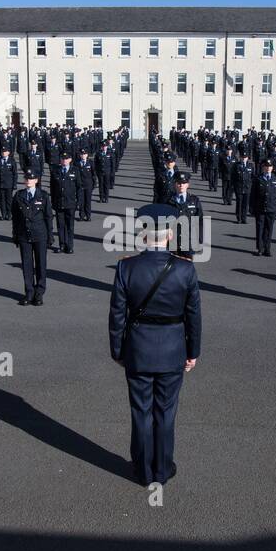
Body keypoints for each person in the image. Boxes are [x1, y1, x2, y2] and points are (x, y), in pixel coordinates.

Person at [108, 203, 202, 486]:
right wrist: (193, 352)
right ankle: (161, 468)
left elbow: (117, 314)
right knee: (165, 411)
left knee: (141, 411)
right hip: (173, 348)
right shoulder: (185, 269)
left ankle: (142, 468)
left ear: (143, 233)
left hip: (138, 348)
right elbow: (193, 316)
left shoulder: (126, 266)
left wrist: (118, 350)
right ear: (171, 233)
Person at [11, 170, 52, 305]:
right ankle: (29, 292)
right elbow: (16, 218)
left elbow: (48, 217)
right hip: (24, 234)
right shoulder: (18, 196)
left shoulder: (43, 196)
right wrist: (15, 234)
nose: (28, 180)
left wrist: (50, 235)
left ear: (36, 180)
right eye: (26, 178)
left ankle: (39, 293)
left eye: (32, 178)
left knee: (41, 265)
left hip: (40, 234)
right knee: (27, 265)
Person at [167, 171, 204, 258]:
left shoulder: (194, 200)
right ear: (175, 184)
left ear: (188, 184)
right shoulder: (168, 201)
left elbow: (200, 221)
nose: (181, 185)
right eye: (179, 183)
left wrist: (199, 240)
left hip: (189, 242)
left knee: (187, 267)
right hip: (173, 242)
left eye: (184, 183)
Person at [250, 159, 276, 256]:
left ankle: (267, 248)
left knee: (269, 229)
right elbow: (253, 195)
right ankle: (260, 248)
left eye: (270, 166)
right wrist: (251, 208)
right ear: (263, 167)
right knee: (260, 229)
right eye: (266, 166)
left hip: (271, 208)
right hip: (260, 208)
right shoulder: (258, 179)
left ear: (272, 168)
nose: (268, 168)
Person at [50, 153, 80, 254]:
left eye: (66, 158)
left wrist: (78, 202)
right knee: (60, 225)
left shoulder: (75, 170)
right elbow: (52, 188)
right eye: (62, 158)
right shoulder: (55, 171)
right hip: (59, 203)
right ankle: (62, 245)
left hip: (70, 203)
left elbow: (79, 188)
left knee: (70, 226)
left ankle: (69, 245)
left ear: (70, 159)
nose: (64, 160)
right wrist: (53, 202)